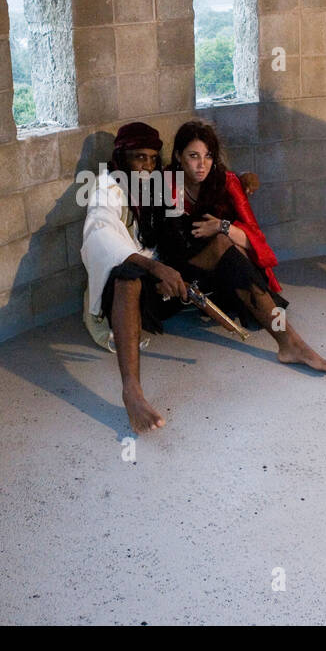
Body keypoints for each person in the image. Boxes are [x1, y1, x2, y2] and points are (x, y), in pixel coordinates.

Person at [158, 120, 326, 373]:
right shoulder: (165, 184)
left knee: (227, 243)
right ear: (178, 156)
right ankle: (289, 342)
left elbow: (255, 240)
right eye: (193, 156)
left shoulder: (225, 181)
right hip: (179, 271)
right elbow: (160, 240)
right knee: (223, 244)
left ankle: (288, 341)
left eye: (208, 156)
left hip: (220, 270)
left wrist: (221, 226)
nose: (202, 165)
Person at [80, 122, 189, 433]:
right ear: (122, 157)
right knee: (128, 277)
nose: (147, 166)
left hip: (155, 284)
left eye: (153, 159)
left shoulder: (154, 184)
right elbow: (99, 230)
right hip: (125, 289)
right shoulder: (106, 185)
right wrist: (154, 267)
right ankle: (132, 392)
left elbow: (170, 229)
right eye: (140, 158)